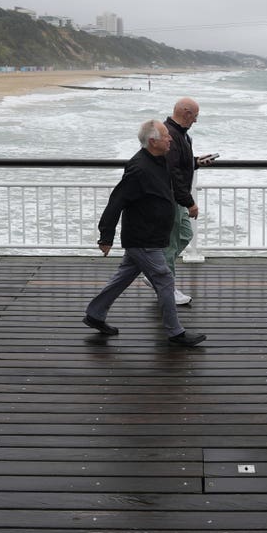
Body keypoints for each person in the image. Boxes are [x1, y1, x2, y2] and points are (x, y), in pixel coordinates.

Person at [83, 119, 207, 347]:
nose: (170, 138)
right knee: (164, 279)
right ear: (153, 141)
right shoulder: (139, 168)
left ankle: (95, 314)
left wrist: (188, 203)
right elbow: (117, 200)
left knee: (124, 276)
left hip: (153, 236)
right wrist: (106, 235)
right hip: (142, 238)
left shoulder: (161, 161)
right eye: (165, 136)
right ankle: (175, 332)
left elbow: (175, 186)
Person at [162, 97, 217, 305]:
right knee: (170, 243)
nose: (196, 121)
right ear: (186, 113)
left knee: (185, 234)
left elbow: (180, 165)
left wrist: (196, 162)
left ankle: (157, 272)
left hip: (177, 198)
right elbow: (172, 172)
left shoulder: (183, 136)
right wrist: (189, 202)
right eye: (195, 116)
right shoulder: (170, 135)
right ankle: (167, 286)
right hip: (172, 198)